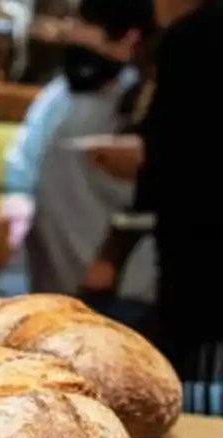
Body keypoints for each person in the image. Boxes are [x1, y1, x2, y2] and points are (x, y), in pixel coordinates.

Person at [82, 0, 223, 415]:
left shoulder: (195, 39)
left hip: (204, 287)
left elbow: (167, 166)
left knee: (202, 429)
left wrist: (112, 253)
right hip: (198, 280)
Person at [0, 0, 158, 331]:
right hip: (53, 286)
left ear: (129, 39)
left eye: (85, 27)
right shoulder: (59, 96)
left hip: (128, 292)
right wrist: (15, 201)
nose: (73, 34)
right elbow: (22, 165)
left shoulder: (144, 98)